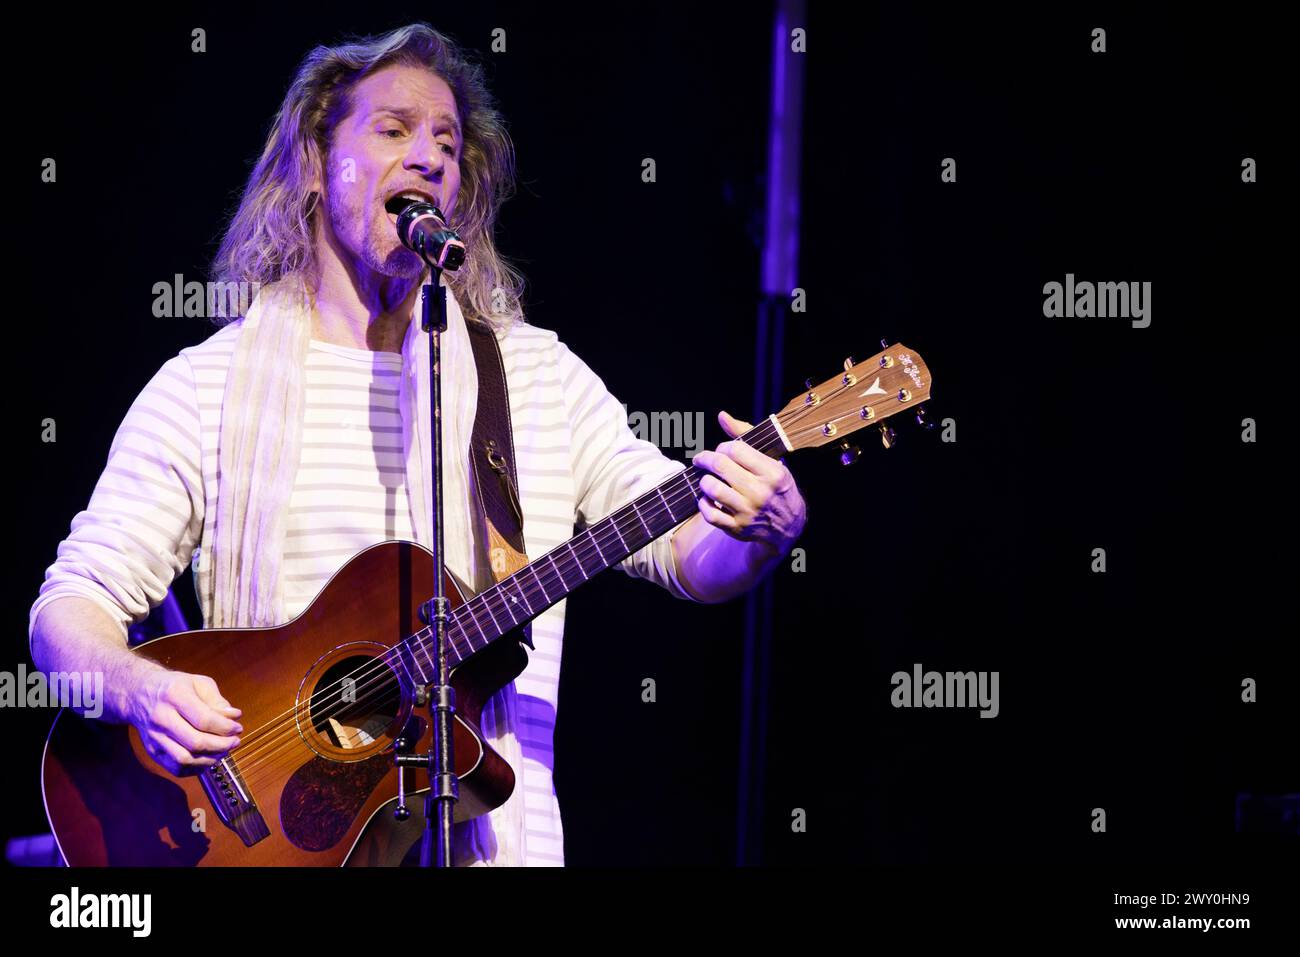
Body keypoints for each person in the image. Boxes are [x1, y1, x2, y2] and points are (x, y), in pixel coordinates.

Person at [28, 23, 806, 866]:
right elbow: (68, 613)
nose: (430, 156)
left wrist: (759, 535)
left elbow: (690, 556)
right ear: (318, 165)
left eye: (447, 142)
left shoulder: (534, 378)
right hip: (265, 838)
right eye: (394, 129)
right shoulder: (205, 386)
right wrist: (138, 685)